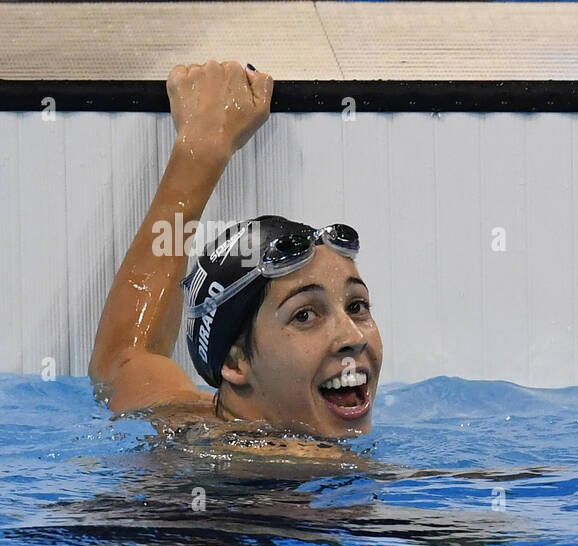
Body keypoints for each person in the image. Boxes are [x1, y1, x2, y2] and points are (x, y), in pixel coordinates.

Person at [88, 60, 382, 445]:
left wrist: (201, 149)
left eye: (356, 306)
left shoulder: (180, 414)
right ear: (234, 362)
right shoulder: (295, 464)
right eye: (305, 315)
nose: (351, 336)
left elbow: (122, 357)